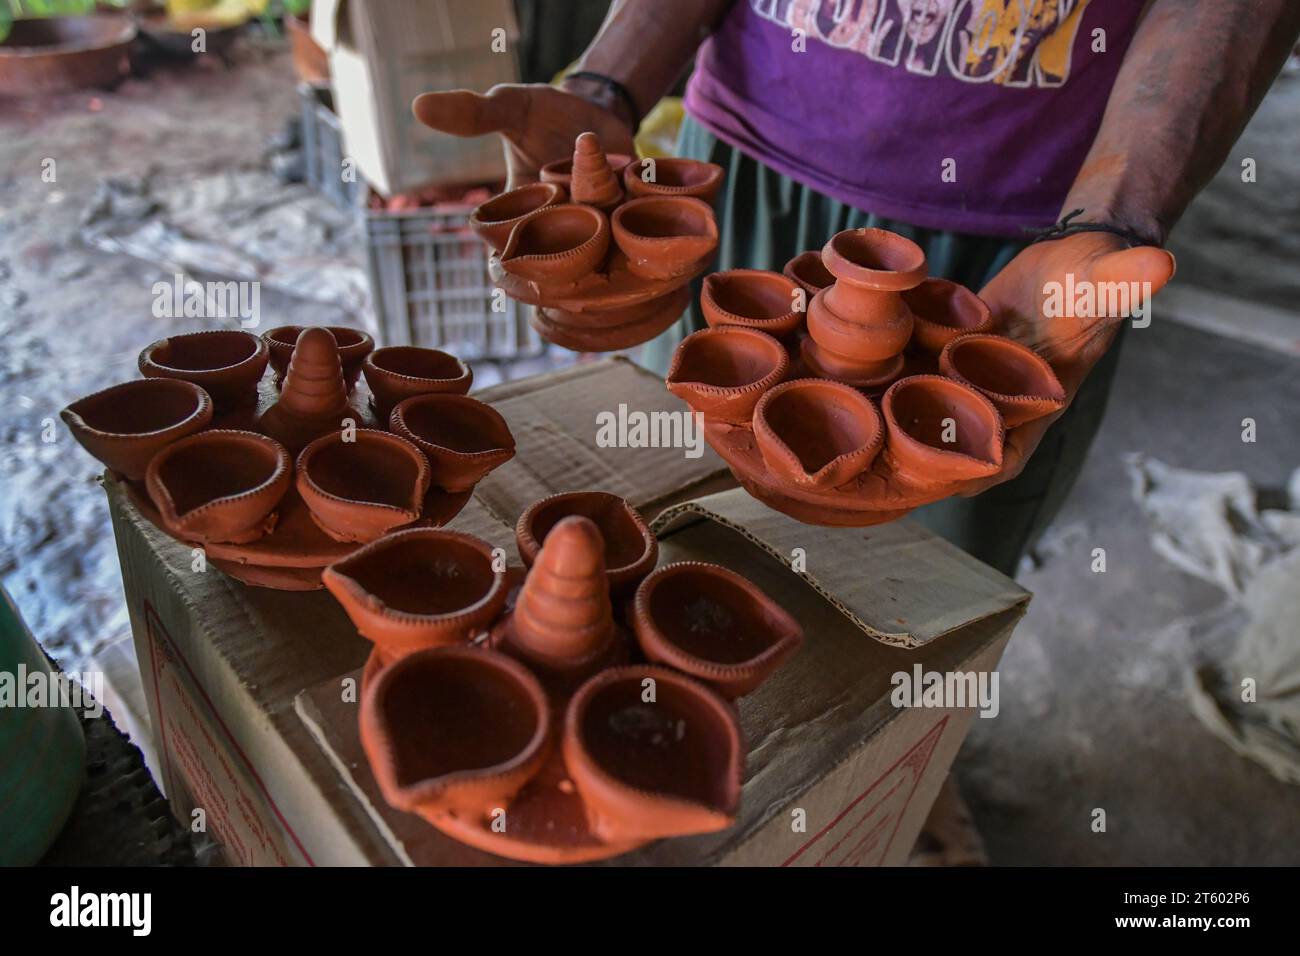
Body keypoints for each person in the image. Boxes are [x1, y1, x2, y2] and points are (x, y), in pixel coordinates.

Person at [415, 0, 1300, 577]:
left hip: (1022, 248)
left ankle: (894, 767)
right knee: (677, 506)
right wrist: (612, 83)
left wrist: (1113, 218)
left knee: (926, 568)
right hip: (746, 178)